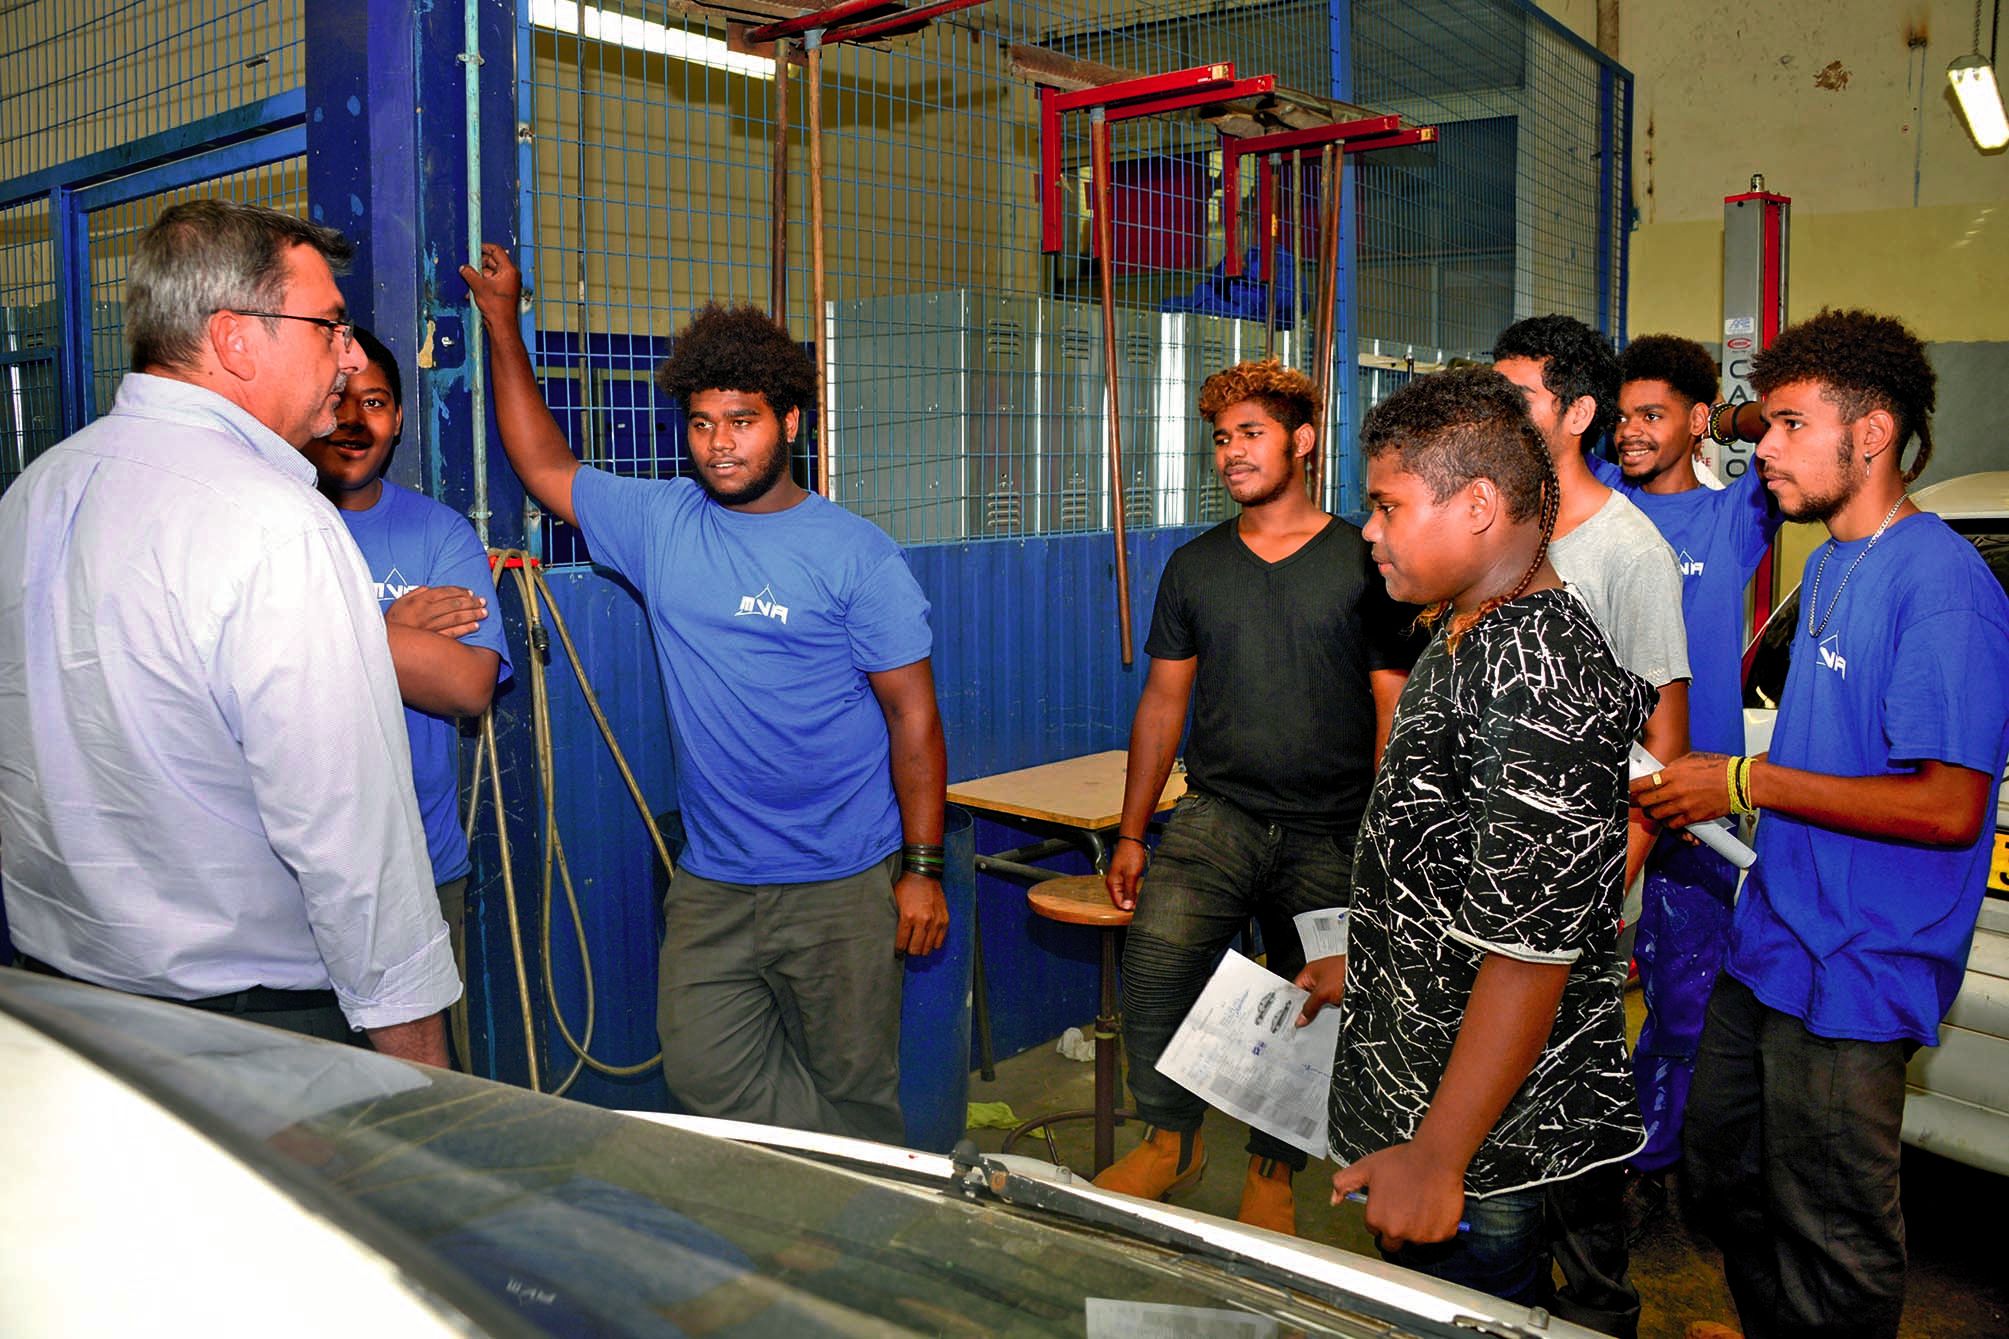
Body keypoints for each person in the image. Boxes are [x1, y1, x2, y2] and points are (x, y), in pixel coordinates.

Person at [463, 243, 947, 1143]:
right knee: (700, 1067)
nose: (721, 442)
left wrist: (920, 870)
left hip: (841, 879)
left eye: (743, 419)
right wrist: (501, 322)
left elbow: (911, 717)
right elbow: (540, 463)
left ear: (790, 423)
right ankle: (840, 1173)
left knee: (853, 1084)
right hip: (715, 879)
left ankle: (851, 1236)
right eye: (701, 422)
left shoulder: (857, 554)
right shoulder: (661, 523)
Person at [0, 200, 459, 1063]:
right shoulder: (277, 524)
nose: (351, 354)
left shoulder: (33, 495)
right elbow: (349, 843)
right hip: (255, 1039)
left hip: (53, 1012)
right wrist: (419, 1069)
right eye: (330, 325)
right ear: (237, 339)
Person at [1637, 308, 2009, 1339]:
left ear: (1869, 433)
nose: (1760, 446)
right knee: (1719, 1175)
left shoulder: (1940, 587)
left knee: (1832, 1230)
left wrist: (1745, 783)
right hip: (1772, 943)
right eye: (1764, 425)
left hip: (1859, 965)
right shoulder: (1836, 564)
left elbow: (1946, 805)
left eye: (1789, 424)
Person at [1299, 366, 1651, 1307]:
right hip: (1429, 1080)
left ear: (1481, 505)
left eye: (1387, 505)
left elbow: (1530, 954)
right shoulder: (1469, 628)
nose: (1367, 530)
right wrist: (1372, 959)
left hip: (1488, 1149)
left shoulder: (1535, 676)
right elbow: (1458, 861)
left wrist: (1437, 1155)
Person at [1092, 360, 1416, 1234]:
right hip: (1217, 814)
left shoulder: (1365, 558)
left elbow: (1393, 705)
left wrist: (1382, 842)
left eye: (1250, 434)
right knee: (1156, 964)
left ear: (1302, 440)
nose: (1231, 453)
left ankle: (1271, 1169)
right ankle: (1171, 1139)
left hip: (1332, 825)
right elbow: (1163, 702)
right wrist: (1131, 831)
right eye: (1222, 438)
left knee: (1308, 999)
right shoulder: (1194, 567)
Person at [1491, 313, 1690, 1336]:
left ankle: (1599, 1312)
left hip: (1578, 891)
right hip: (1489, 886)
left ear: (1575, 413)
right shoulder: (1495, 526)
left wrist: (1596, 889)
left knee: (1567, 1123)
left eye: (1516, 396)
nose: (1495, 414)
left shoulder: (1627, 552)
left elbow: (1663, 753)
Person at [1596, 335, 1783, 1197]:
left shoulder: (1730, 515)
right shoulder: (1595, 504)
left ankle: (1657, 1158)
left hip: (1693, 795)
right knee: (1572, 976)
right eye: (1624, 413)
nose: (1632, 430)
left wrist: (1726, 415)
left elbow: (1771, 431)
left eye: (1653, 414)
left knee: (1684, 988)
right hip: (1595, 787)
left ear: (1696, 421)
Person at [301, 327, 512, 1061]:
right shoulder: (271, 521)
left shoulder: (439, 531)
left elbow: (467, 682)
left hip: (420, 862)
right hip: (290, 870)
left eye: (379, 402)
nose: (357, 421)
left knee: (423, 1105)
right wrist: (387, 626)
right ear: (313, 407)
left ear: (398, 419)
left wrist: (327, 633)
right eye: (341, 400)